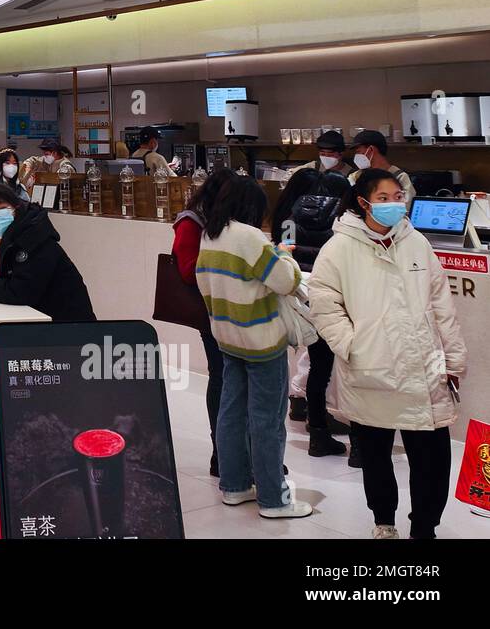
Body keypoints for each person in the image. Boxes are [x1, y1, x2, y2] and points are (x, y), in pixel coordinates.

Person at [307, 168, 467, 539]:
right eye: (384, 198)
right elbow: (324, 304)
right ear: (363, 203)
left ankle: (424, 527)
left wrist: (454, 359)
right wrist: (352, 345)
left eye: (398, 197)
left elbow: (442, 305)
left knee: (432, 459)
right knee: (375, 454)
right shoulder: (340, 248)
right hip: (370, 369)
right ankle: (384, 521)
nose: (394, 204)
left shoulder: (417, 243)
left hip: (424, 368)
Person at [195, 176, 312, 519]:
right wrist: (283, 255)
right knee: (267, 420)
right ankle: (274, 499)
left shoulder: (211, 234)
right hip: (261, 341)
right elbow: (286, 281)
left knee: (230, 412)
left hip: (228, 337)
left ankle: (234, 486)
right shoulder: (249, 237)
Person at [271, 169, 353, 459]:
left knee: (318, 367)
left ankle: (317, 433)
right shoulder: (341, 220)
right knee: (349, 370)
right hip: (339, 298)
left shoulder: (288, 219)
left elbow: (285, 255)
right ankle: (360, 444)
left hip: (302, 299)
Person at [171, 167, 236, 477]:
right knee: (222, 377)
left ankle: (240, 450)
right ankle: (221, 452)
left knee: (233, 380)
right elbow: (187, 271)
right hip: (211, 312)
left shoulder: (223, 221)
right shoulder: (191, 221)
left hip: (235, 310)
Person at [0, 184, 95, 322]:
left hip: (67, 326)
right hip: (33, 320)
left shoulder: (34, 237)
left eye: (2, 209)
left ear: (16, 208)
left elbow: (22, 291)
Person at [348, 130, 415, 205]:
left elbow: (406, 207)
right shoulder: (355, 176)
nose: (356, 156)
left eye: (358, 152)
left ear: (371, 150)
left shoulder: (399, 177)